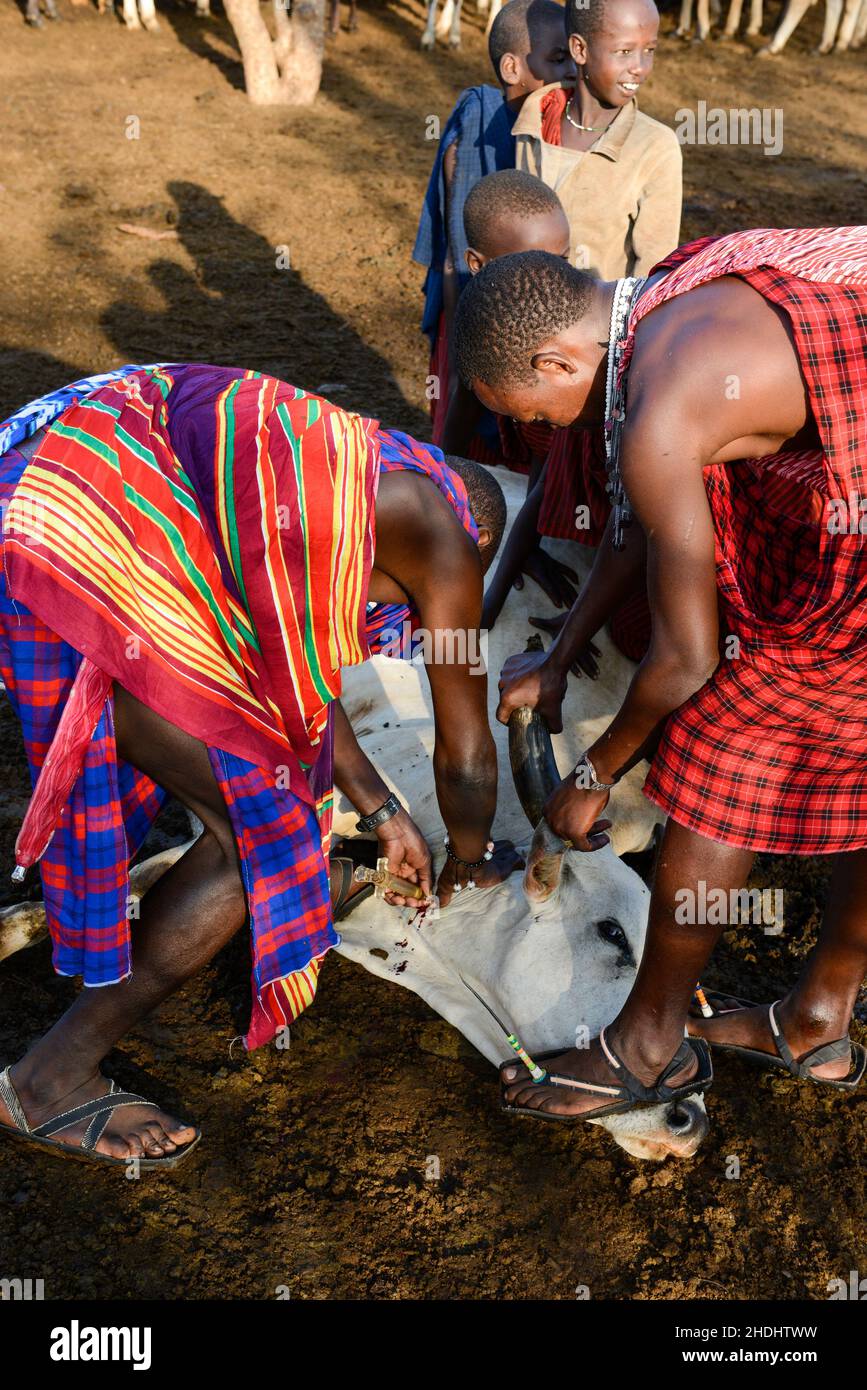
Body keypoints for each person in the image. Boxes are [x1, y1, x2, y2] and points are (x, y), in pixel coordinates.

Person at [0, 364, 518, 1167]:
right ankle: (47, 1083)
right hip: (79, 529)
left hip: (51, 477)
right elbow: (468, 751)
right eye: (410, 604)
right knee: (265, 841)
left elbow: (294, 683)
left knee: (260, 784)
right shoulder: (437, 533)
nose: (400, 618)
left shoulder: (339, 468)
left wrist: (382, 813)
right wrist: (474, 860)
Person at [453, 227, 867, 1122]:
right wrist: (559, 657)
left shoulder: (663, 401)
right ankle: (815, 1022)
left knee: (728, 737)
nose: (534, 434)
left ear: (554, 358)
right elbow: (638, 524)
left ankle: (642, 1048)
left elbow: (687, 658)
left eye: (526, 410)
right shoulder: (667, 297)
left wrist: (591, 778)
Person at [483, 0, 680, 644]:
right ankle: (521, 554)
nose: (640, 68)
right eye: (625, 51)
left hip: (594, 349)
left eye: (649, 51)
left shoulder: (655, 147)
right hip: (522, 329)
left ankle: (583, 596)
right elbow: (508, 212)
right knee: (520, 453)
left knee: (590, 479)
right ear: (578, 49)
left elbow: (655, 275)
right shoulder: (531, 120)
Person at [413, 0, 575, 466]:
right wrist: (462, 338)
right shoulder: (477, 123)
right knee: (470, 446)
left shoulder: (560, 129)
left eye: (573, 60)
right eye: (557, 59)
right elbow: (453, 249)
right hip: (470, 299)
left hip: (534, 309)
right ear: (512, 66)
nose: (570, 73)